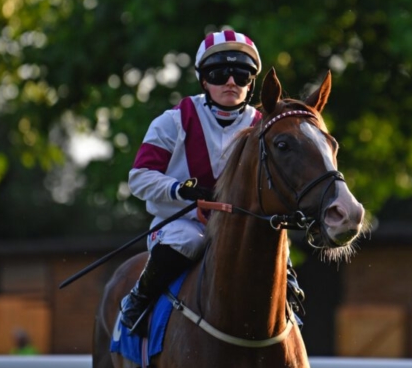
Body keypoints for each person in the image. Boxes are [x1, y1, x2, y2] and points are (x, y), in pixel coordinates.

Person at [120, 29, 305, 336]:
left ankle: (291, 308)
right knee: (189, 241)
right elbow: (139, 178)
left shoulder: (264, 128)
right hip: (184, 223)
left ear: (251, 83)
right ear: (204, 80)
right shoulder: (173, 120)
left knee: (277, 249)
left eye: (242, 74)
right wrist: (179, 190)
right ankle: (139, 297)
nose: (231, 82)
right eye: (220, 73)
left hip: (243, 226)